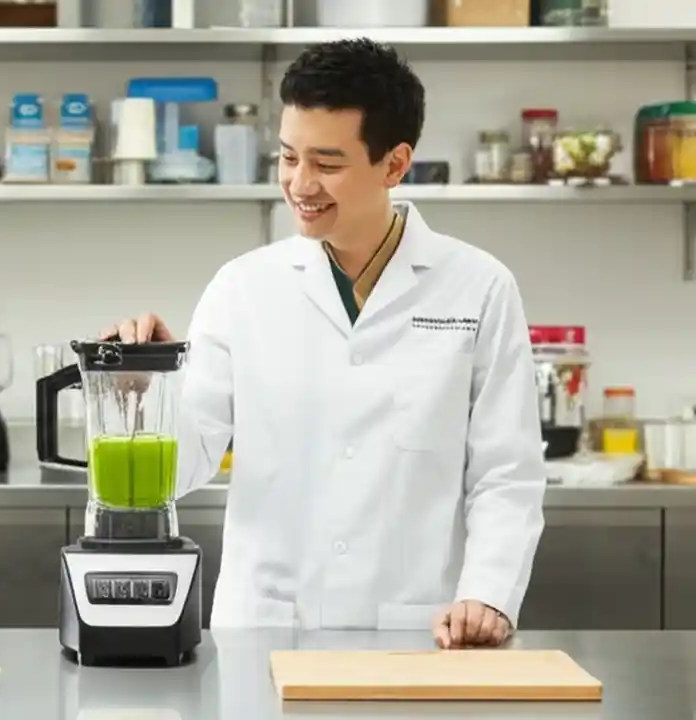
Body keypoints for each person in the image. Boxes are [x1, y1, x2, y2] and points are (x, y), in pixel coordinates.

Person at [103, 39, 545, 648]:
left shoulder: (479, 288)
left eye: (327, 164)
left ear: (395, 164)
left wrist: (488, 594)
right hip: (264, 631)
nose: (300, 184)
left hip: (417, 633)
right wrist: (143, 389)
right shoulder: (243, 287)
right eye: (288, 157)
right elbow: (183, 466)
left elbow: (506, 473)